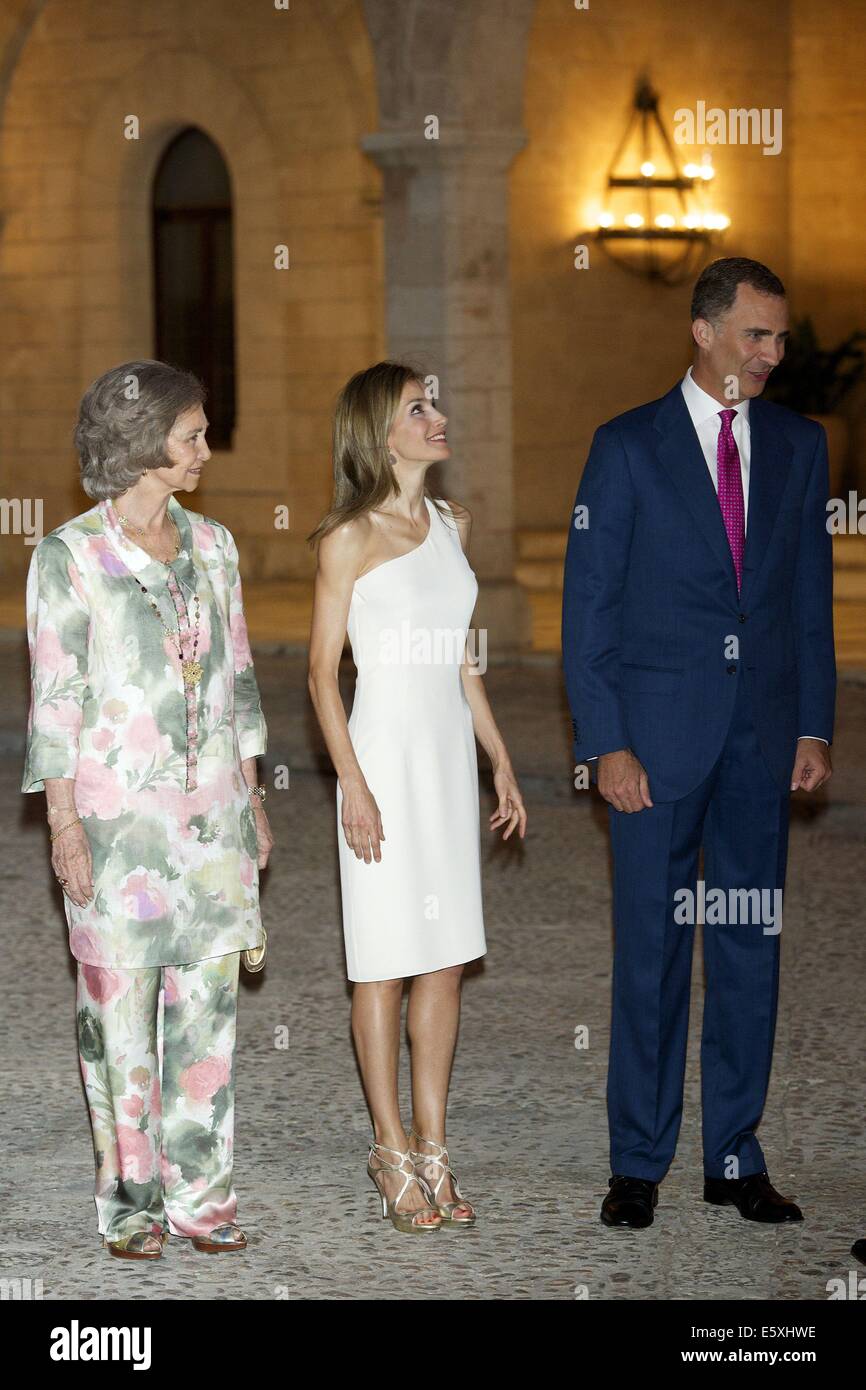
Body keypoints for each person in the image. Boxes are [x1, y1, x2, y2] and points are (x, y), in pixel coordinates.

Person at [562, 258, 835, 1228]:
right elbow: (586, 612)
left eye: (777, 338)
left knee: (747, 949)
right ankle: (636, 1159)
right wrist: (605, 743)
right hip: (653, 749)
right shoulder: (625, 447)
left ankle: (732, 1152)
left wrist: (810, 724)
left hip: (759, 747)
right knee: (648, 953)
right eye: (754, 335)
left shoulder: (800, 448)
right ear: (703, 331)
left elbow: (806, 600)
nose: (769, 355)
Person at [22, 360, 273, 1259]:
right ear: (140, 444)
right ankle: (131, 1204)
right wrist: (62, 825)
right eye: (192, 435)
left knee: (206, 1017)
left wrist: (252, 799)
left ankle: (203, 1201)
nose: (207, 448)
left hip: (210, 821)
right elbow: (56, 702)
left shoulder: (214, 546)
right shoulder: (68, 557)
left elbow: (239, 679)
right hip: (113, 826)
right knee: (119, 1020)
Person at [307, 361, 527, 1233]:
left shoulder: (451, 524)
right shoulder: (347, 538)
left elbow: (459, 660)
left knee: (444, 958)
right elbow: (324, 677)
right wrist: (351, 785)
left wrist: (500, 758)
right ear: (380, 433)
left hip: (441, 759)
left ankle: (436, 1144)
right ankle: (390, 1149)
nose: (438, 417)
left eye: (435, 403)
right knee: (384, 962)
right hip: (382, 761)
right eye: (418, 408)